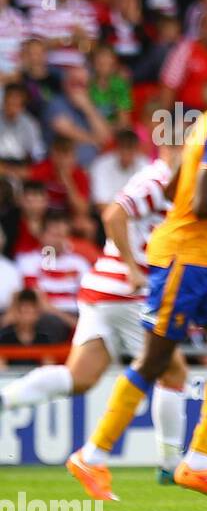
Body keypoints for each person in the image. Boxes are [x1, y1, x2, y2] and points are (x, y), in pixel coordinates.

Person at [68, 63, 207, 502]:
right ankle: (92, 455)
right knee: (155, 361)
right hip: (184, 259)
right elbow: (203, 202)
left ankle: (198, 462)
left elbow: (175, 192)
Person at [0, 143, 188, 477]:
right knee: (173, 370)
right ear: (173, 148)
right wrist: (132, 267)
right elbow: (113, 214)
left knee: (79, 378)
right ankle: (171, 465)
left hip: (102, 291)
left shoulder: (169, 182)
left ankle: (5, 398)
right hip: (125, 292)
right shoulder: (157, 180)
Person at [0, 288, 68, 367]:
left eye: (31, 312)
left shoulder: (44, 338)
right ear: (16, 312)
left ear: (37, 314)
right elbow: (2, 368)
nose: (27, 317)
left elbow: (48, 366)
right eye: (23, 312)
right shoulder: (5, 338)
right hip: (11, 378)